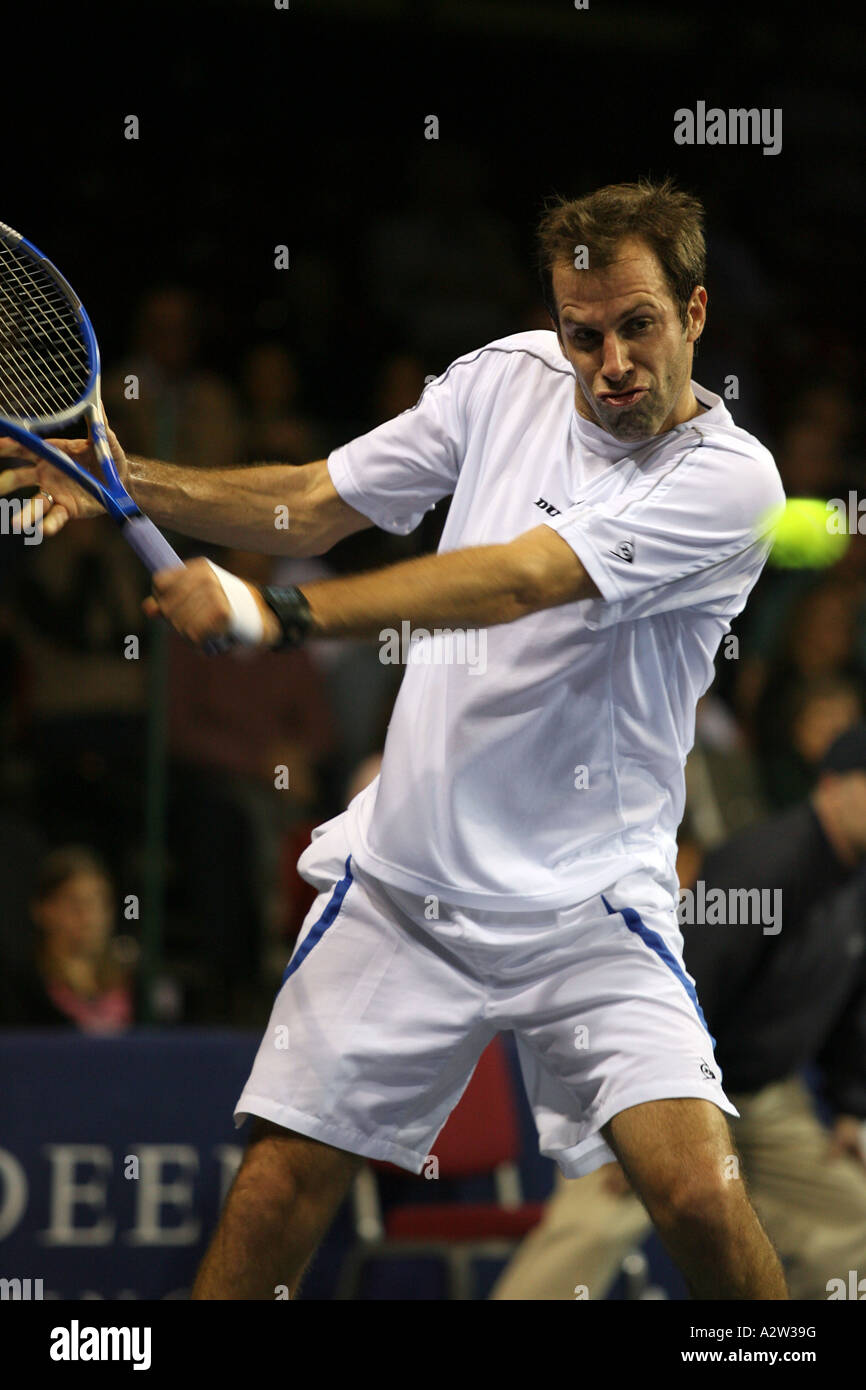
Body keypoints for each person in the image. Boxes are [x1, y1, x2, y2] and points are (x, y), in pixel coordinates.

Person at [0, 178, 789, 1299]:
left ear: (694, 314)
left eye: (636, 326)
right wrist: (130, 480)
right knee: (274, 1189)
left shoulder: (730, 482)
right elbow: (316, 505)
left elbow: (521, 578)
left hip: (592, 906)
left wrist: (281, 614)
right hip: (407, 886)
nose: (608, 358)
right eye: (582, 332)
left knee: (701, 1194)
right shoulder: (499, 381)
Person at [490, 724, 866, 1300]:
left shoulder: (858, 881)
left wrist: (848, 1107)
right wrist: (646, 1116)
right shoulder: (761, 867)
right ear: (833, 785)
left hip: (763, 1098)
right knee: (591, 1229)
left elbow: (847, 996)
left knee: (854, 1219)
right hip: (667, 1082)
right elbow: (679, 990)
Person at [0, 846, 135, 1032]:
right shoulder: (19, 989)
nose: (89, 916)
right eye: (74, 902)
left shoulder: (133, 983)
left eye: (98, 902)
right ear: (42, 910)